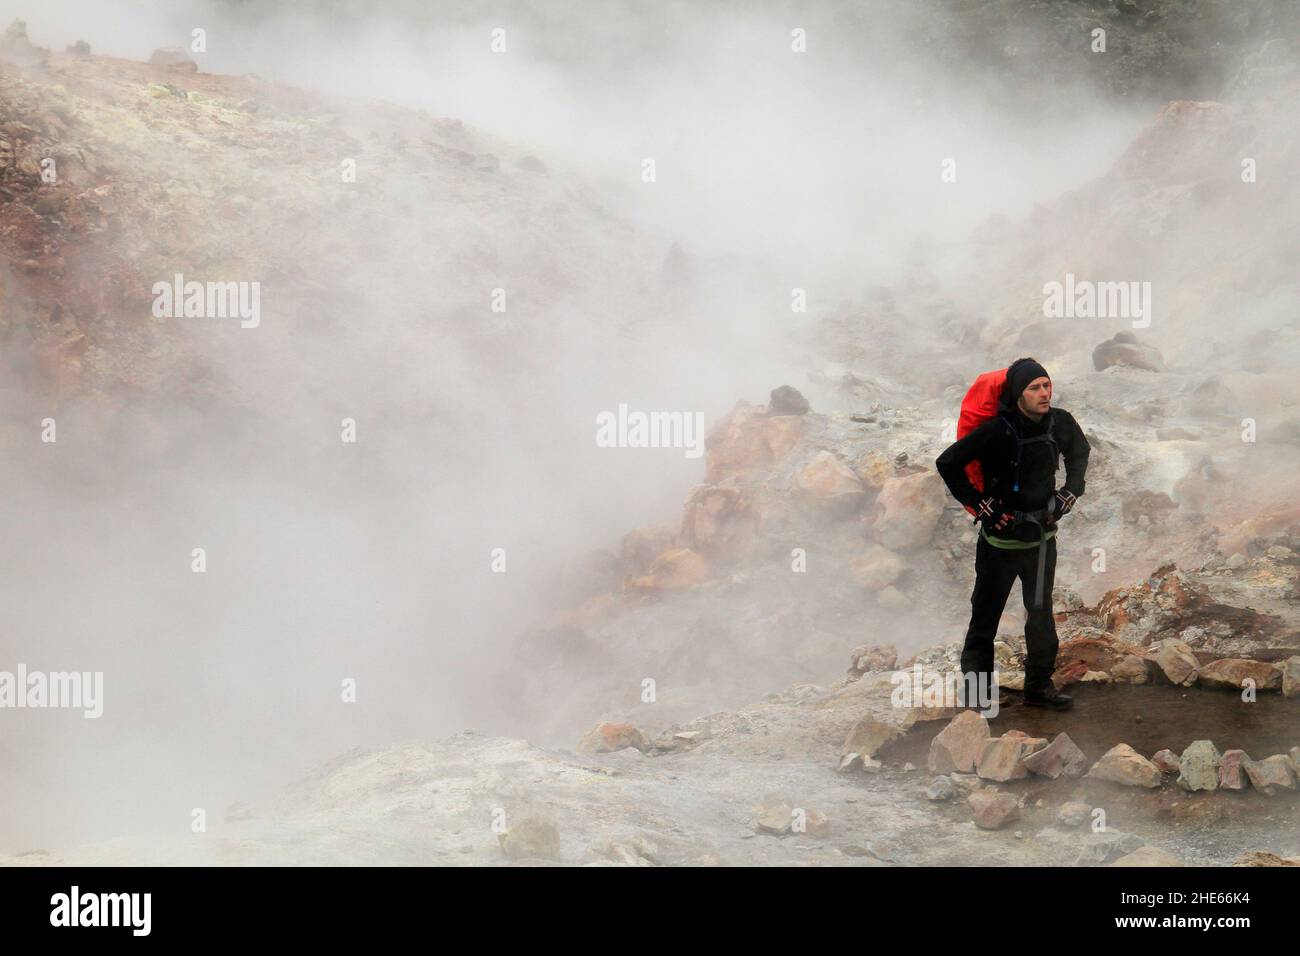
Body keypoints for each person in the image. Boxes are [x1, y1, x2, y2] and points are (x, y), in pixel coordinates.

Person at [935, 358, 1090, 711]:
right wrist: (981, 505)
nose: (1044, 393)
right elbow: (949, 463)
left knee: (1040, 616)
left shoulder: (1059, 422)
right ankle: (976, 698)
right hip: (999, 545)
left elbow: (1080, 452)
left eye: (1046, 385)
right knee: (985, 618)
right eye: (1034, 388)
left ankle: (1038, 688)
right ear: (1017, 394)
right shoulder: (998, 430)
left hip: (1040, 541)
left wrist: (1071, 491)